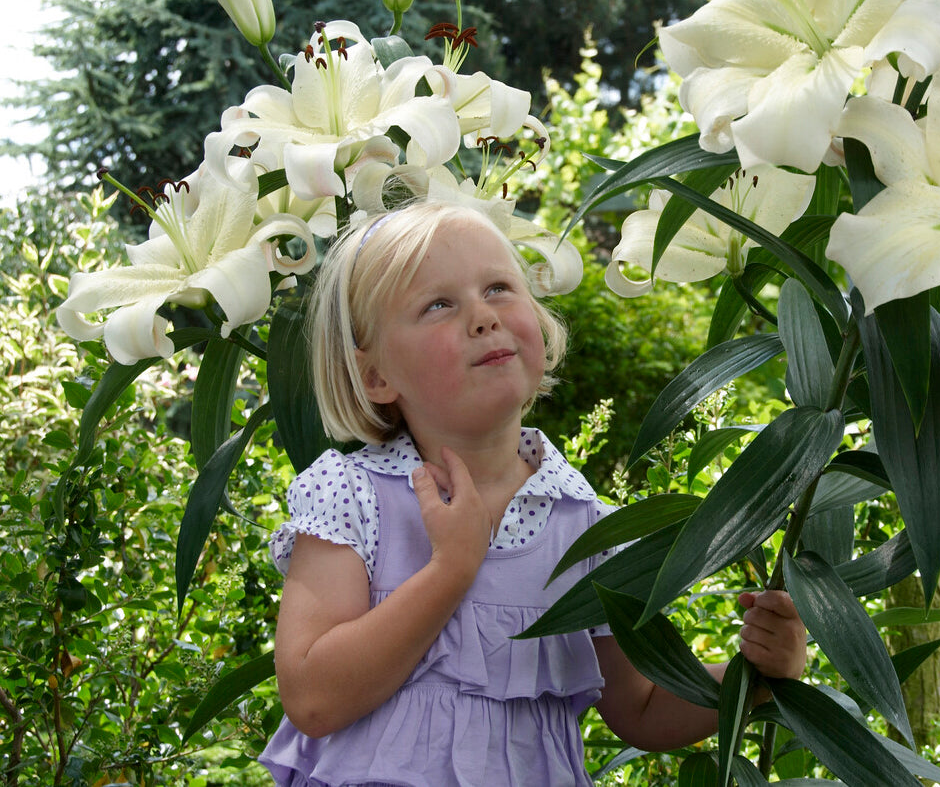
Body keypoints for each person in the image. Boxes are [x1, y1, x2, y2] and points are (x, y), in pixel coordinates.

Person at [259, 201, 807, 787]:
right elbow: (314, 699)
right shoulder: (353, 496)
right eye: (438, 304)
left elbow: (641, 709)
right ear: (375, 376)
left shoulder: (587, 528)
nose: (482, 317)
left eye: (498, 287)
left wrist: (757, 674)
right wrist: (451, 569)